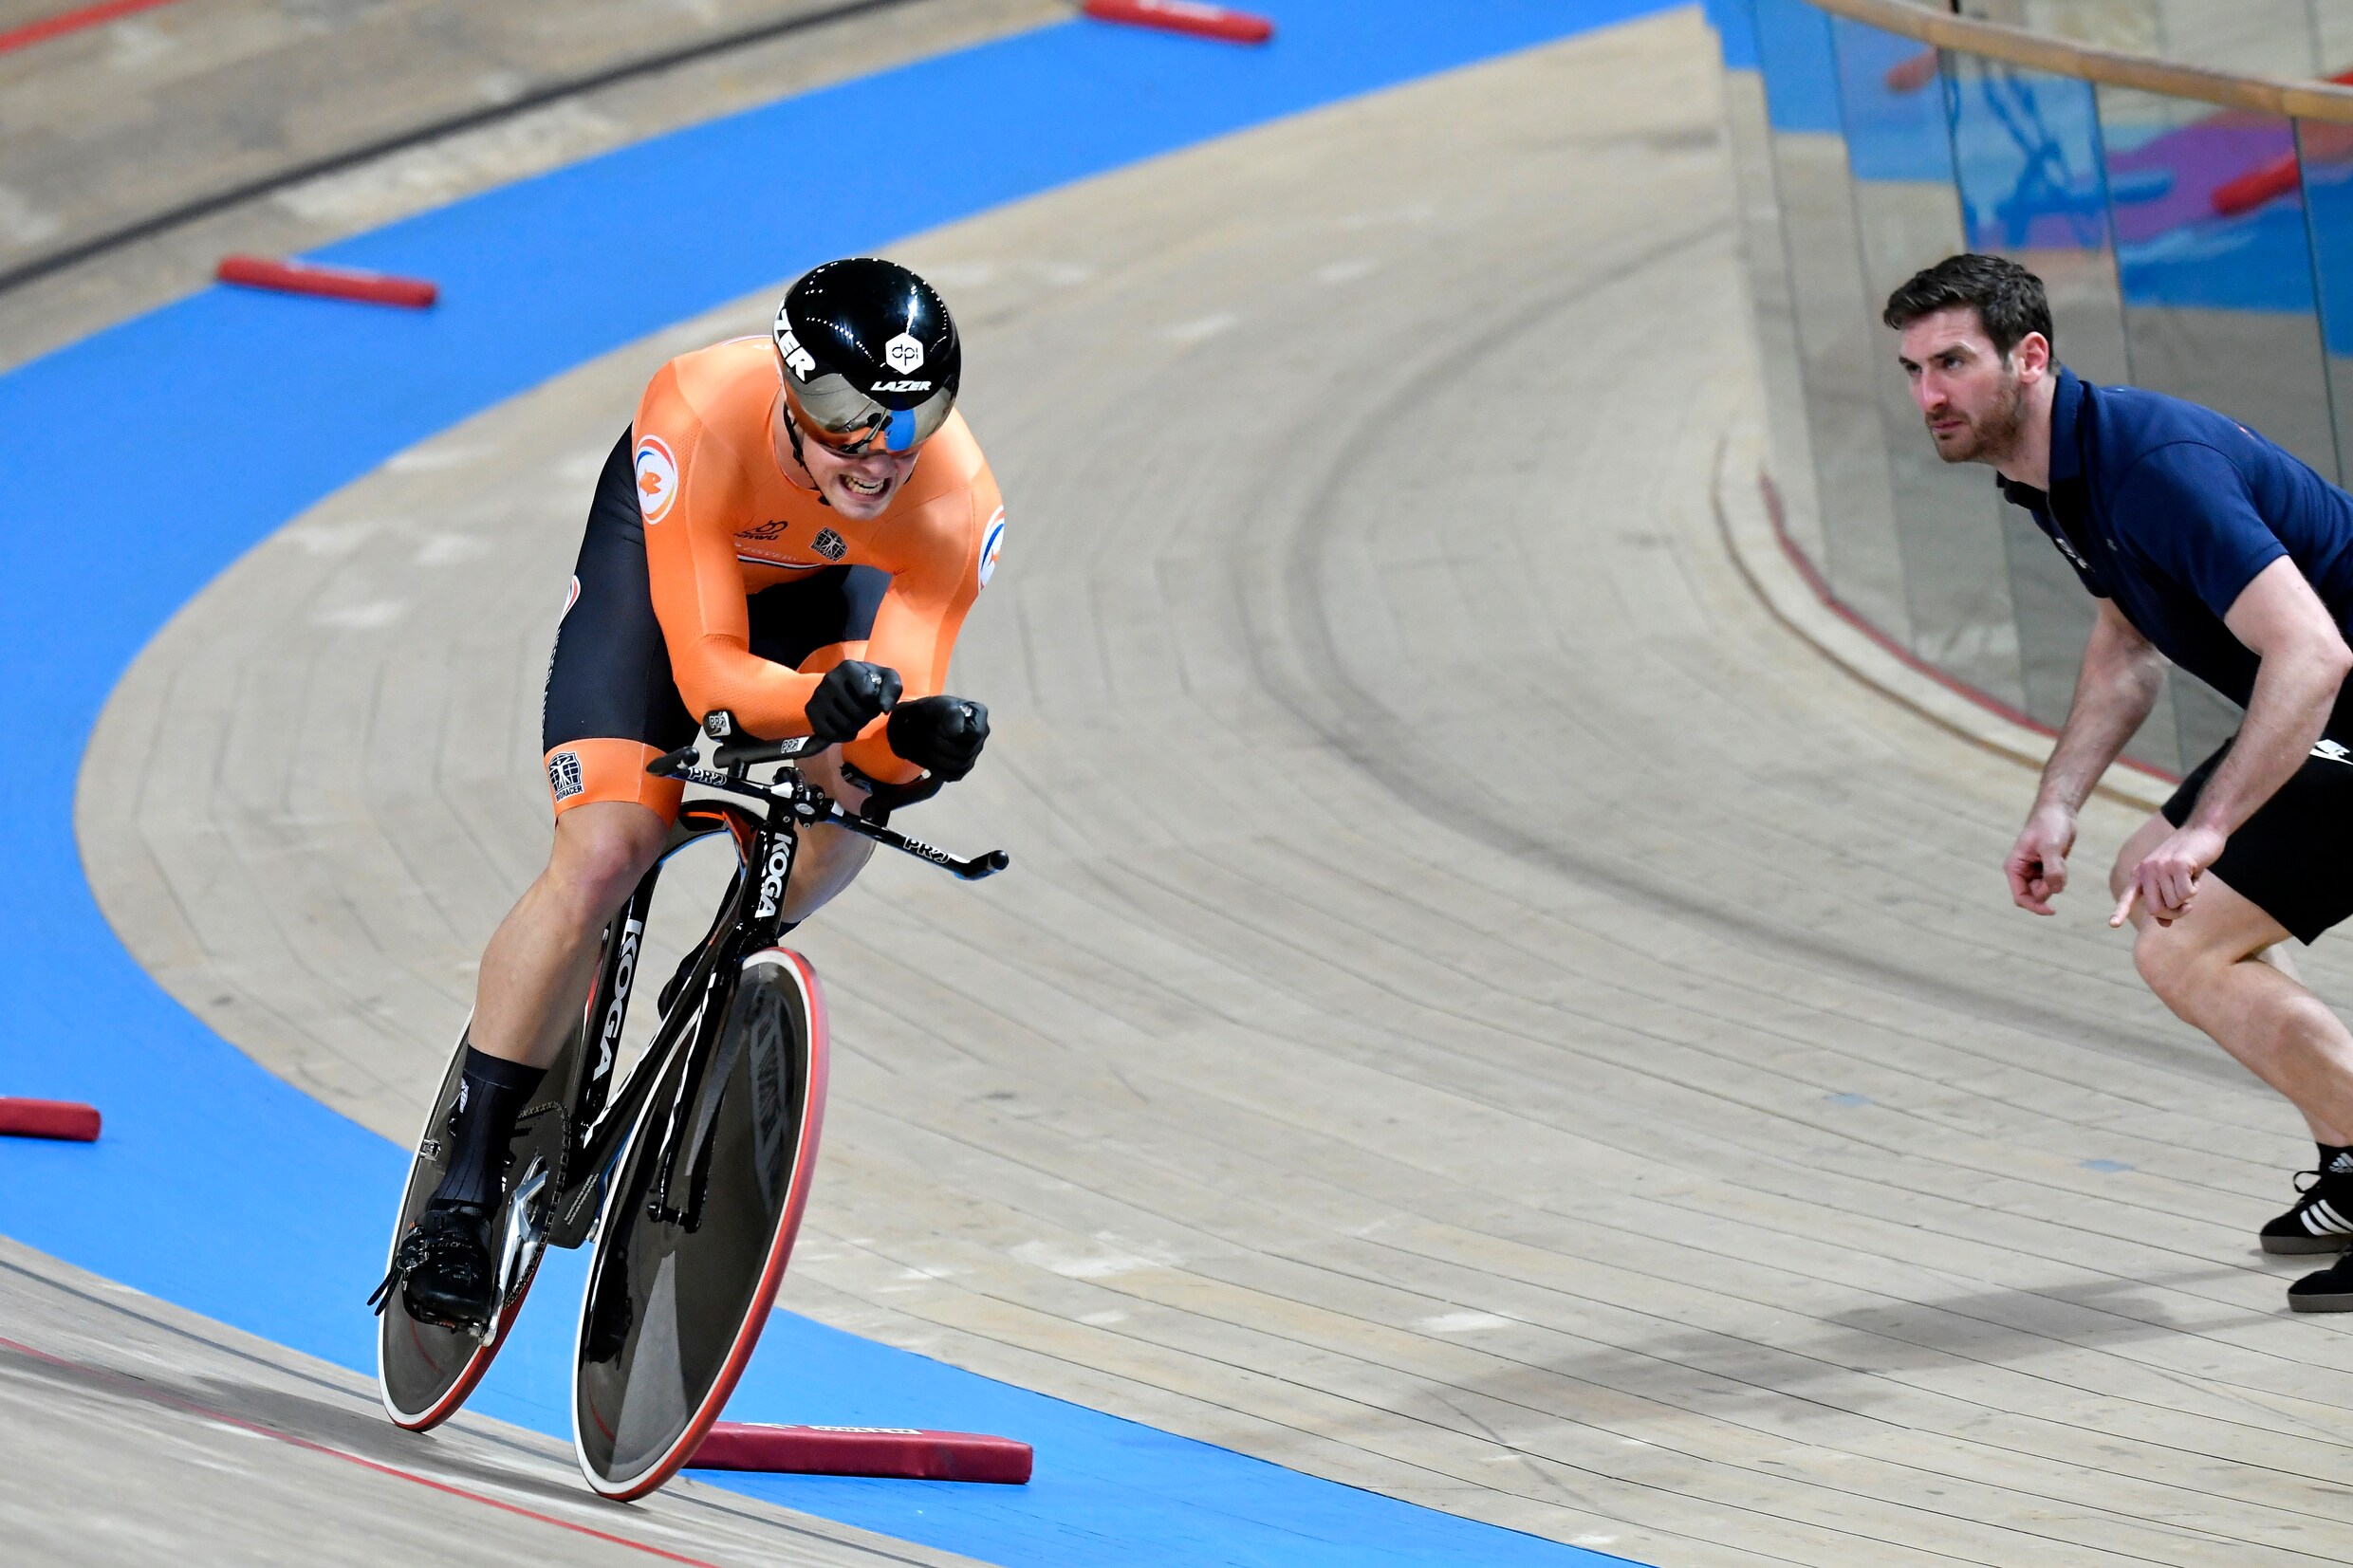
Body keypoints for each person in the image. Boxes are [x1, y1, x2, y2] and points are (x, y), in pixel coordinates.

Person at [383, 257, 1002, 1330]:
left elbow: (887, 724)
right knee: (606, 852)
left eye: (912, 417)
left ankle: (723, 962)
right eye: (846, 416)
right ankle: (463, 1189)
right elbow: (709, 671)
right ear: (791, 391)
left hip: (828, 603)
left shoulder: (954, 500)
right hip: (666, 585)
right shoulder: (700, 408)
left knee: (851, 801)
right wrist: (815, 701)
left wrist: (911, 747)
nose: (879, 452)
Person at [1884, 252, 2353, 1312]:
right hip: (2337, 711)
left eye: (1951, 363)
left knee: (2182, 940)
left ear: (2028, 356)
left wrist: (2212, 827)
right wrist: (2056, 806)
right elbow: (2126, 643)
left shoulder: (2152, 469)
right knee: (2145, 875)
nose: (1928, 395)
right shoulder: (2056, 474)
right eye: (1913, 370)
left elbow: (2313, 653)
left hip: (2342, 701)